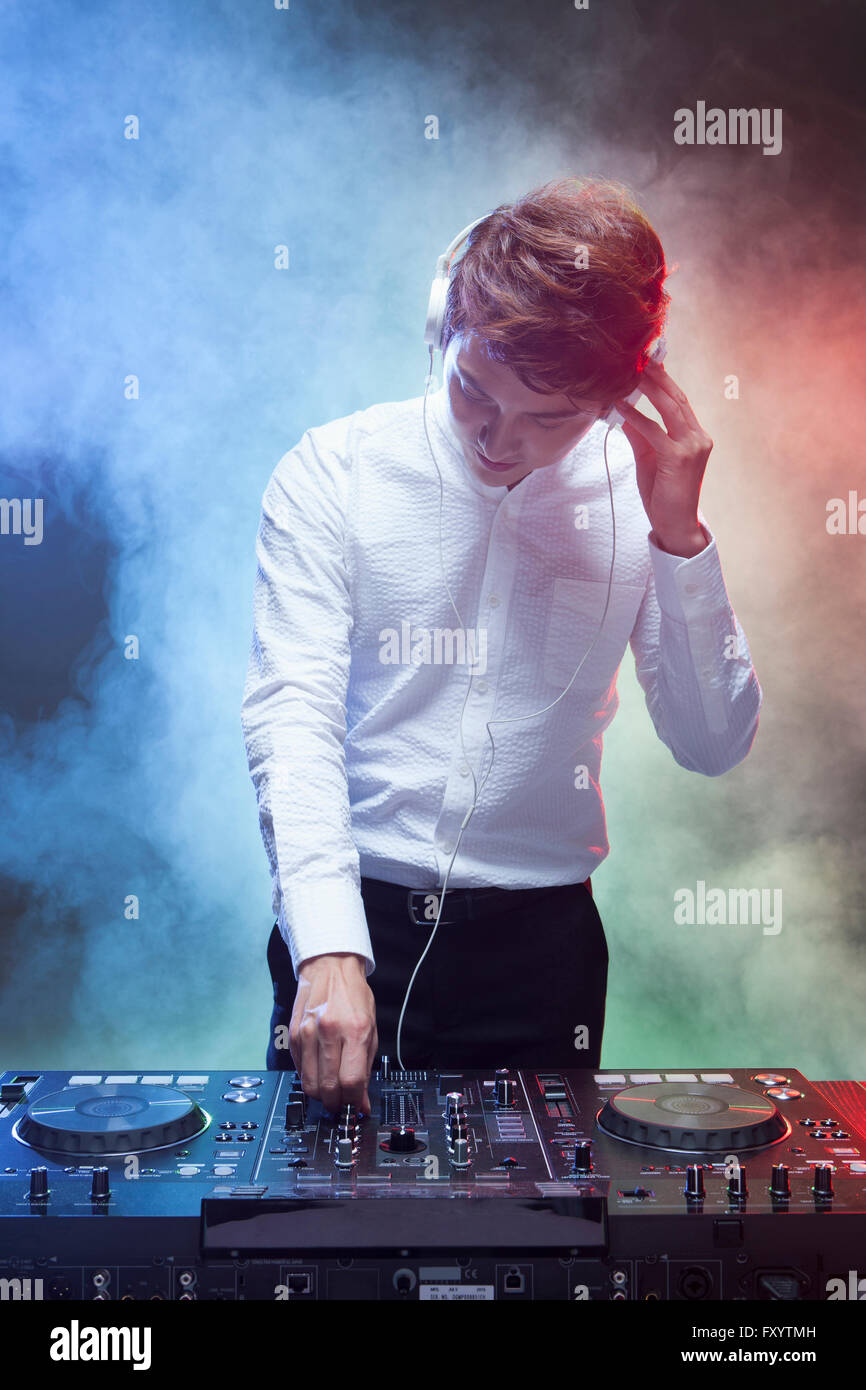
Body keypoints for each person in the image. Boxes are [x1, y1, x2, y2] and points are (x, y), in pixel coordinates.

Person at [241, 176, 762, 1118]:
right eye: (474, 391)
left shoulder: (639, 493)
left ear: (620, 392)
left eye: (549, 417)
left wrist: (680, 538)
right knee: (312, 1238)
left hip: (542, 949)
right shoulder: (334, 470)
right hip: (353, 928)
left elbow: (711, 742)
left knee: (541, 1245)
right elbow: (293, 718)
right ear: (444, 327)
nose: (497, 438)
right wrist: (325, 945)